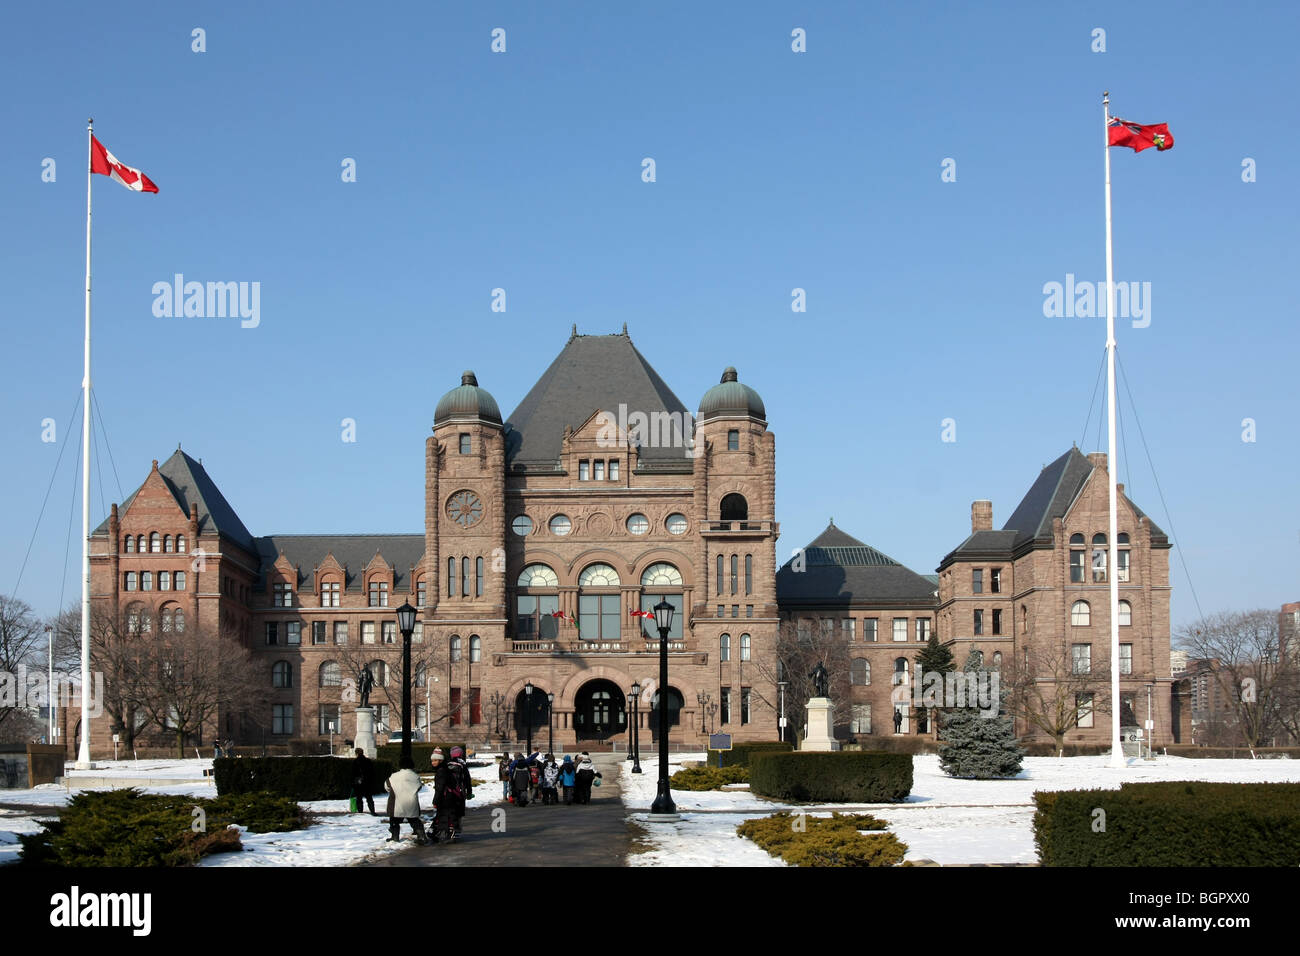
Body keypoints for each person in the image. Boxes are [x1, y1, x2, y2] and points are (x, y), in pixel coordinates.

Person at [385, 757, 429, 844]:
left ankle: (395, 836)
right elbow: (419, 787)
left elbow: (387, 786)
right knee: (414, 820)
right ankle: (422, 836)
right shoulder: (415, 776)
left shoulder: (394, 776)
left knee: (394, 820)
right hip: (411, 802)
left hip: (396, 803)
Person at [433, 746, 473, 841]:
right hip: (460, 792)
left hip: (449, 792)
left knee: (449, 812)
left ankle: (448, 828)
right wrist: (469, 792)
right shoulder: (462, 765)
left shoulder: (447, 764)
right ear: (461, 754)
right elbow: (467, 780)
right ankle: (456, 829)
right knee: (458, 813)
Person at [351, 747, 376, 815]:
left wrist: (353, 782)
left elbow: (353, 773)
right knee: (369, 798)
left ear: (356, 753)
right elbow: (372, 772)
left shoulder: (355, 762)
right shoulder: (368, 761)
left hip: (358, 783)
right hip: (367, 782)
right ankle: (372, 811)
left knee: (359, 798)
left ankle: (360, 812)